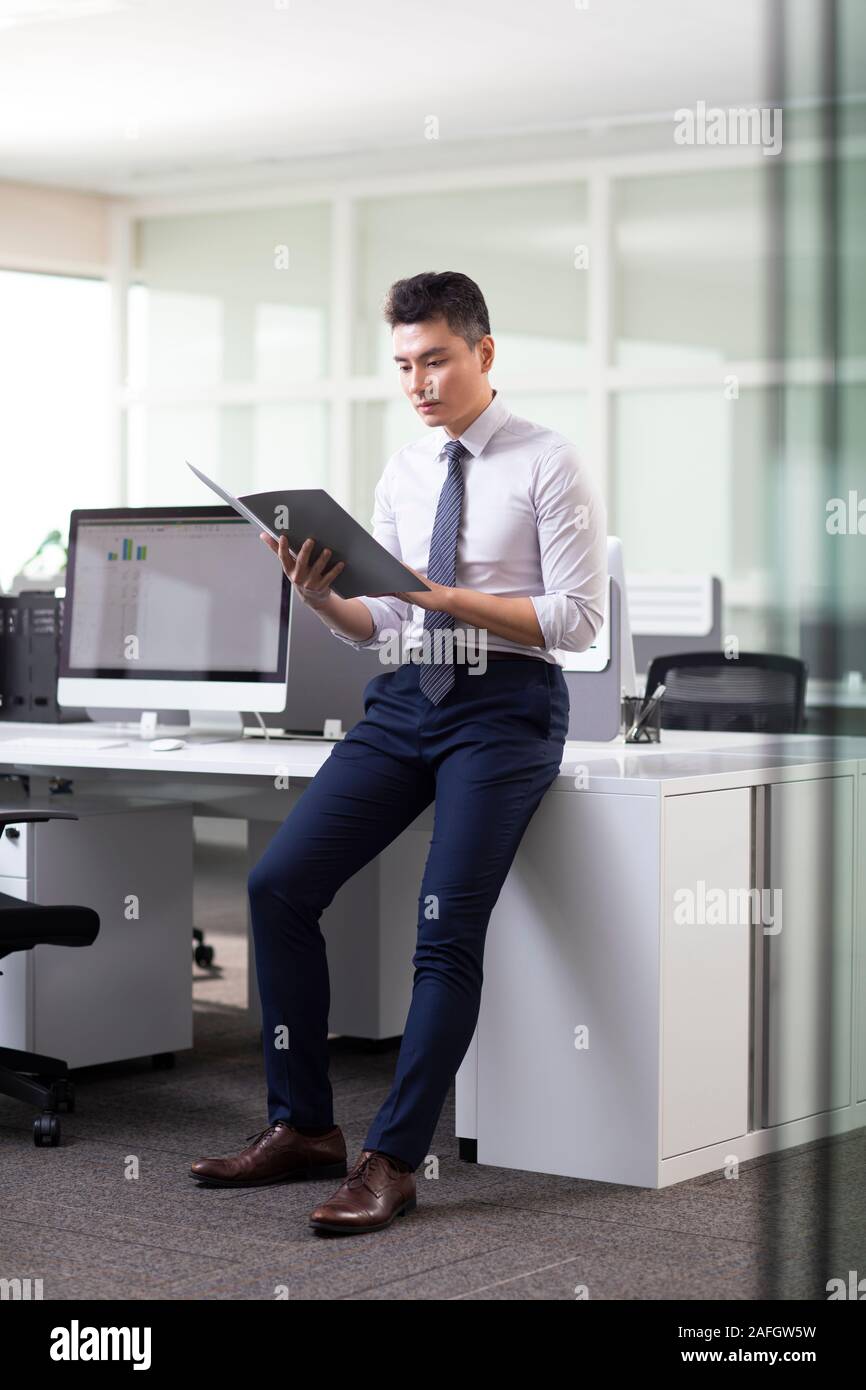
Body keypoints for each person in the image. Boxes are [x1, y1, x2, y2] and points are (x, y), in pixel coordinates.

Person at [189, 270, 607, 1234]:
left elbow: (579, 623)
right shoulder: (404, 470)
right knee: (277, 886)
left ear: (484, 353)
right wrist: (315, 590)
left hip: (503, 708)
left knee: (443, 931)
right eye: (404, 365)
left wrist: (440, 598)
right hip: (408, 699)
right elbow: (378, 620)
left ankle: (393, 1158)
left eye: (436, 360)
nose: (418, 382)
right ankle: (304, 1129)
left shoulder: (548, 460)